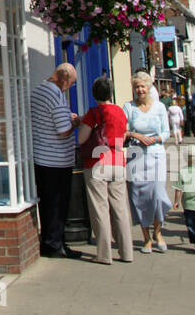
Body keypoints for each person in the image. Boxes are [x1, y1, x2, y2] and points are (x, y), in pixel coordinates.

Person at [77, 75, 133, 263]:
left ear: (94, 94)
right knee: (120, 208)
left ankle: (104, 254)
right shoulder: (119, 111)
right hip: (117, 161)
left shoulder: (94, 113)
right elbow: (123, 136)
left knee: (100, 209)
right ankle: (126, 252)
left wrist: (82, 123)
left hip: (97, 162)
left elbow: (82, 139)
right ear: (111, 92)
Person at [30, 62, 80, 258]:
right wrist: (74, 122)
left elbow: (49, 119)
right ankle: (54, 245)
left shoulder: (37, 90)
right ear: (64, 78)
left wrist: (66, 116)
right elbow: (62, 130)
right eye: (71, 83)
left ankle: (52, 242)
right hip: (56, 160)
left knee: (48, 204)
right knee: (57, 206)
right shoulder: (56, 95)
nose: (70, 87)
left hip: (41, 156)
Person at [124, 70, 172, 253]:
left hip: (156, 154)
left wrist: (156, 139)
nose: (139, 90)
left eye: (142, 86)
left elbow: (166, 132)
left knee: (158, 196)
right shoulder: (128, 108)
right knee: (138, 197)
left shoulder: (159, 107)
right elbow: (122, 131)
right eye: (136, 87)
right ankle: (146, 238)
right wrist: (134, 134)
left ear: (149, 87)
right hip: (136, 155)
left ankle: (158, 232)